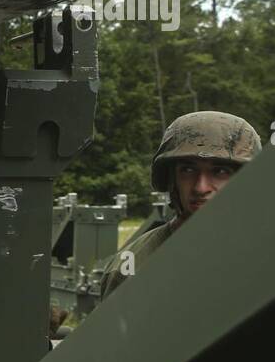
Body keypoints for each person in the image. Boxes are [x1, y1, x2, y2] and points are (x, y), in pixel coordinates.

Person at [100, 111, 262, 299]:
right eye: (188, 170)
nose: (201, 188)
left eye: (220, 171)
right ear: (172, 179)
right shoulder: (132, 267)